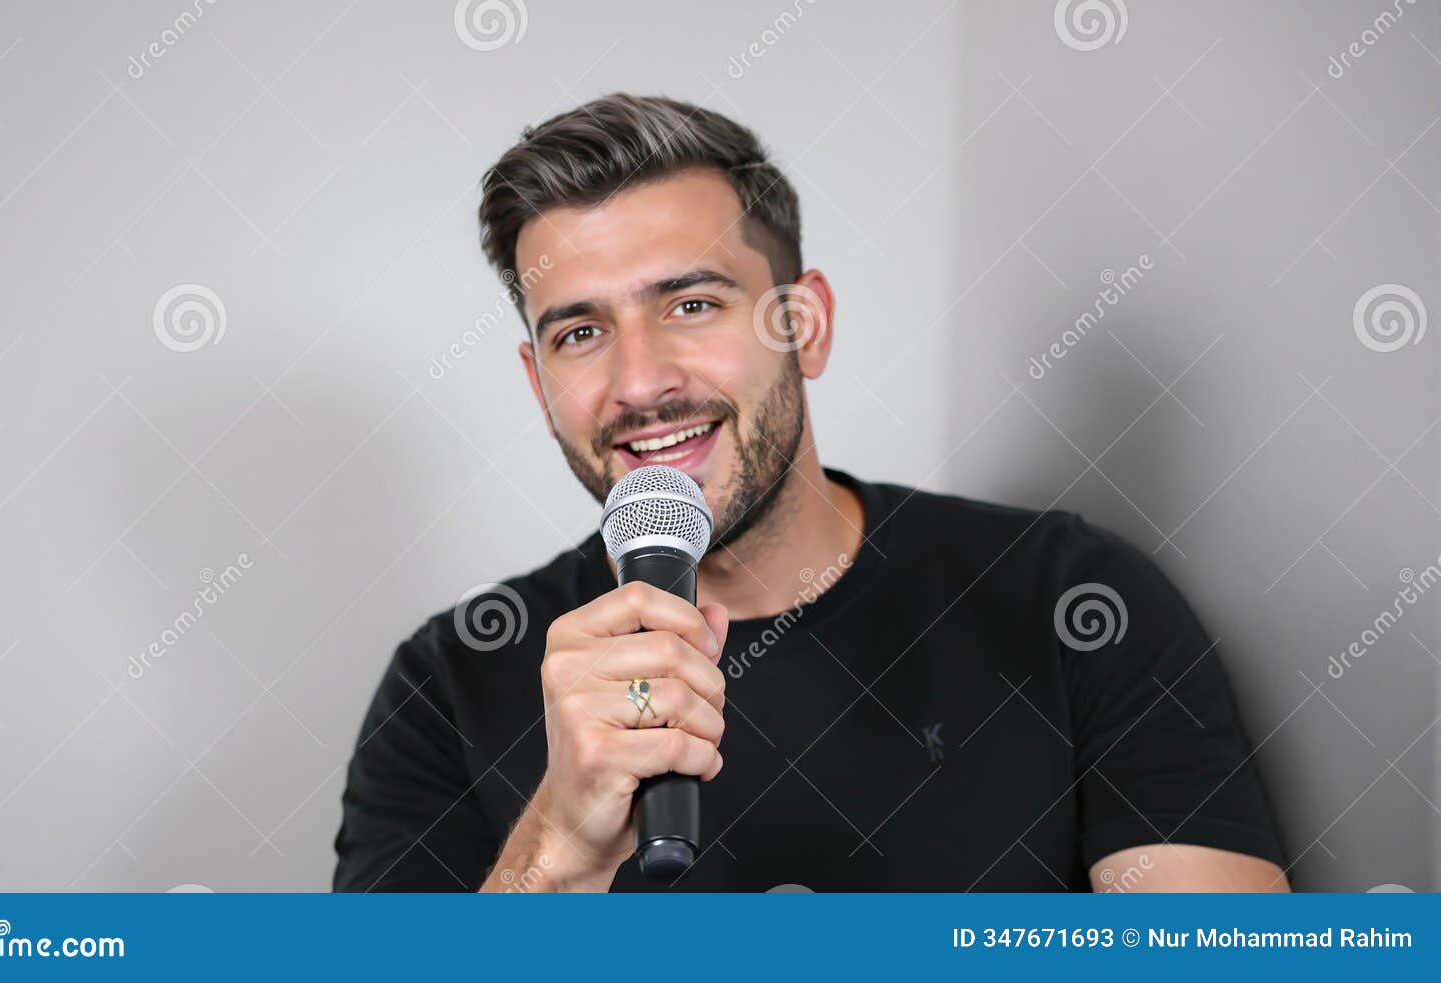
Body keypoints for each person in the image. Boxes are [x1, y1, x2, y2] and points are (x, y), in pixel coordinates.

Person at [331, 93, 1288, 892]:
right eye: (579, 333)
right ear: (541, 386)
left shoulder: (1073, 600)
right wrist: (560, 853)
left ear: (804, 325)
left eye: (691, 304)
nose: (638, 382)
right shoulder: (448, 684)